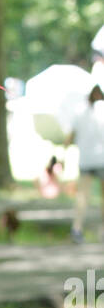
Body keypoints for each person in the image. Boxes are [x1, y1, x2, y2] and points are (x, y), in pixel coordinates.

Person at [67, 83, 104, 242]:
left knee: (83, 195)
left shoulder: (79, 111)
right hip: (102, 158)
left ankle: (77, 228)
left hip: (86, 159)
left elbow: (70, 136)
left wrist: (63, 150)